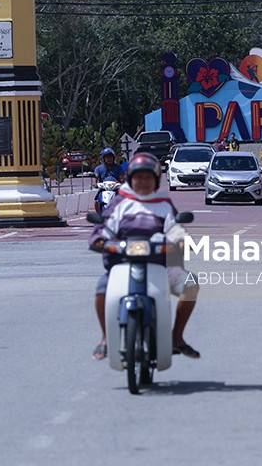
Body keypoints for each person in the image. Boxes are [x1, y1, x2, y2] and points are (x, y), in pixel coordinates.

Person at [88, 152, 200, 361]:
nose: (144, 181)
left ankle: (177, 337)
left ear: (156, 180)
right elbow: (106, 227)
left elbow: (174, 228)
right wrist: (101, 240)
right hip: (122, 263)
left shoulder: (163, 204)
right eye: (139, 177)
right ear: (131, 179)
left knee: (190, 285)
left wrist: (182, 240)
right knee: (101, 291)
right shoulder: (120, 203)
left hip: (160, 263)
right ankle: (105, 338)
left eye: (149, 177)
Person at [92, 147, 125, 214]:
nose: (109, 159)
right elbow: (95, 177)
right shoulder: (99, 168)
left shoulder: (118, 168)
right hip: (104, 188)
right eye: (107, 157)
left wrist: (123, 182)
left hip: (115, 188)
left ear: (113, 158)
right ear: (104, 159)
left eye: (110, 157)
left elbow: (122, 178)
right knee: (96, 201)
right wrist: (95, 183)